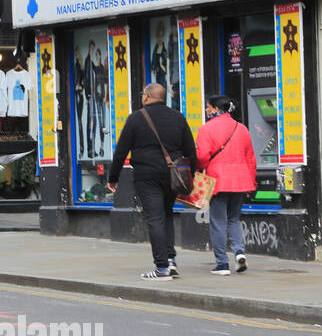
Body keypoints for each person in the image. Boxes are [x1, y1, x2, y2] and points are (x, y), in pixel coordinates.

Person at [107, 83, 196, 280]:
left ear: (146, 96)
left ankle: (161, 268)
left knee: (155, 219)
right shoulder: (178, 117)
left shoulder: (136, 118)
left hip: (147, 176)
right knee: (167, 215)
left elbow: (121, 151)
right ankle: (170, 260)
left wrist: (113, 177)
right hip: (173, 176)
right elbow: (190, 150)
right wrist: (192, 176)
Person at [196, 94, 256, 275]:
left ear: (216, 108)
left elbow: (202, 156)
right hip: (241, 180)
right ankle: (239, 253)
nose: (206, 110)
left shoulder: (206, 129)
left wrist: (197, 169)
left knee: (218, 222)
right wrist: (252, 182)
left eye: (208, 107)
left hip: (218, 181)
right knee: (234, 219)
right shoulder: (242, 128)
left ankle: (222, 264)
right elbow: (250, 158)